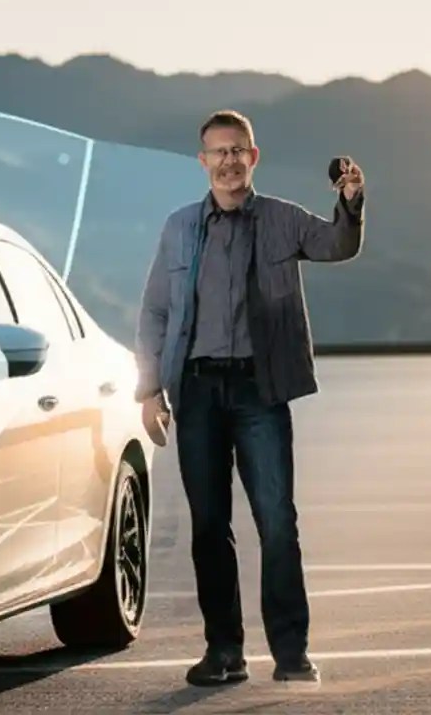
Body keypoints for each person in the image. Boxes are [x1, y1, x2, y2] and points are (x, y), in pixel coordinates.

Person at [134, 109, 365, 686]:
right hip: (196, 390)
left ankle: (292, 654)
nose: (229, 161)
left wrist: (353, 201)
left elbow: (339, 244)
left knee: (277, 521)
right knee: (209, 526)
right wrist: (148, 390)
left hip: (260, 389)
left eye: (239, 150)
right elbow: (156, 311)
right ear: (203, 161)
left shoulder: (284, 220)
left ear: (253, 157)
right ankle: (224, 652)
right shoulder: (180, 227)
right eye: (219, 152)